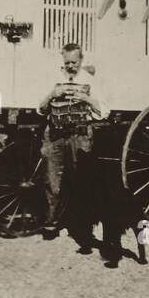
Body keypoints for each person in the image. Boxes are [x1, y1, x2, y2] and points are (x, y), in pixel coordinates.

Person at [37, 43, 106, 250]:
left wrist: (86, 98)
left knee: (82, 181)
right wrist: (52, 94)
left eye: (74, 62)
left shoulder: (90, 80)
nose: (70, 66)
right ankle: (51, 224)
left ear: (81, 60)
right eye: (66, 62)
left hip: (80, 135)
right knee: (53, 181)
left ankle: (82, 227)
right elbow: (40, 109)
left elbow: (104, 110)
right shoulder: (52, 78)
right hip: (56, 136)